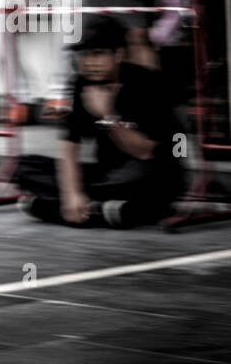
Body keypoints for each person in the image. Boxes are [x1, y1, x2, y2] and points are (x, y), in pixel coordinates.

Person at [14, 15, 184, 228]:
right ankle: (102, 210)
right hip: (106, 174)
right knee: (25, 168)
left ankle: (56, 207)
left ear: (118, 55)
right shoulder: (81, 84)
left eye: (98, 54)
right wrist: (72, 195)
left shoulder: (145, 83)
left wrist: (107, 115)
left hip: (152, 171)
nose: (89, 63)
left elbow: (144, 152)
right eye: (84, 55)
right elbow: (68, 149)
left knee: (144, 176)